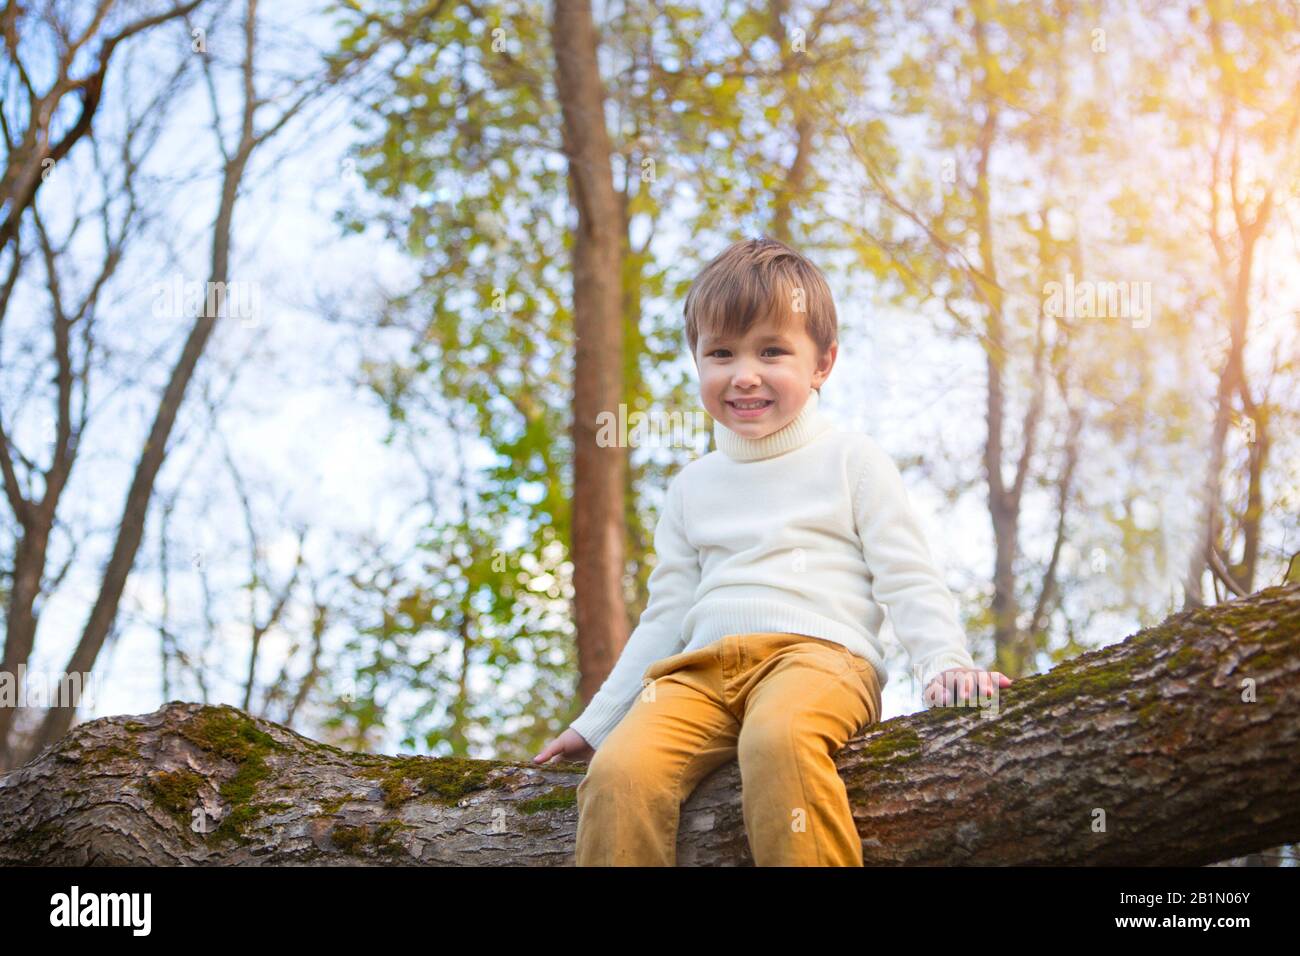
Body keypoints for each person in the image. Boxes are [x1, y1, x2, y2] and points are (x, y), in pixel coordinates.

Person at [533, 236, 1012, 866]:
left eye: (772, 351)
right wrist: (596, 724)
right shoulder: (690, 489)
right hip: (698, 677)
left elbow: (908, 577)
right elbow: (666, 618)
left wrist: (945, 663)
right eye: (721, 353)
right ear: (698, 362)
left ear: (822, 364)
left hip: (819, 662)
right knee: (622, 771)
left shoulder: (852, 460)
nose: (744, 374)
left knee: (778, 739)